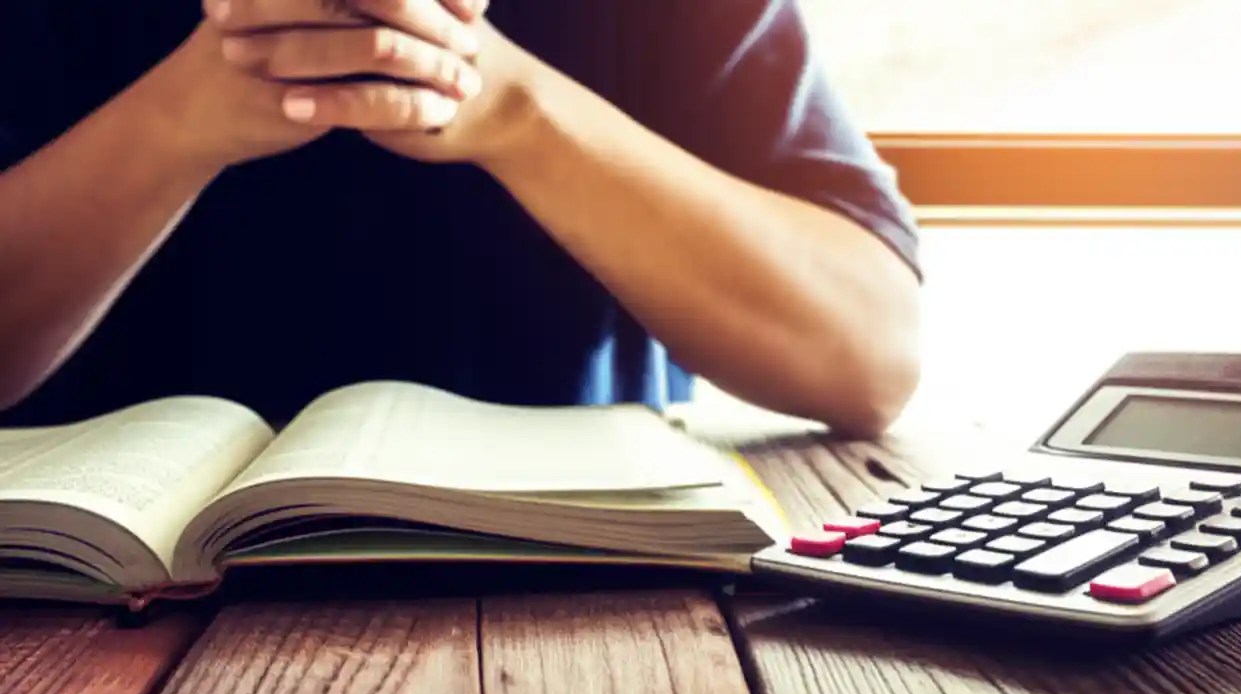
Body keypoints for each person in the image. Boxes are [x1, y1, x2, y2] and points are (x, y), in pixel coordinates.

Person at [0, 0, 922, 438]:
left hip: (589, 592)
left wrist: (509, 107)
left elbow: (869, 357)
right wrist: (176, 120)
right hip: (92, 596)